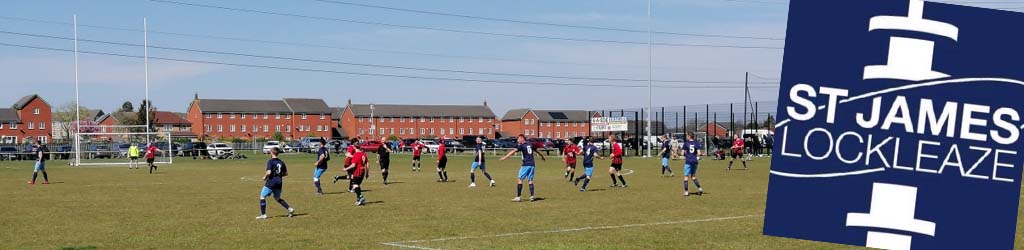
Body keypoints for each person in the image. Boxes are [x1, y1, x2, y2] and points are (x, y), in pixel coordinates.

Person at [500, 134, 546, 202]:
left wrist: (505, 157)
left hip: (526, 165)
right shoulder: (530, 144)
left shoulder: (522, 145)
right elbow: (537, 151)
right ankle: (532, 196)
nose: (517, 140)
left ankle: (518, 197)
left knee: (520, 179)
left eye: (518, 139)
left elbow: (513, 151)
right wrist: (542, 156)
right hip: (532, 164)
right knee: (530, 180)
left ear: (522, 138)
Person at [257, 147, 295, 219]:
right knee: (277, 198)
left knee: (262, 196)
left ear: (272, 153)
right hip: (279, 182)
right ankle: (290, 209)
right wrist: (278, 175)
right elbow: (286, 173)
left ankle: (263, 214)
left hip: (271, 182)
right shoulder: (281, 162)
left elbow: (269, 172)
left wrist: (265, 177)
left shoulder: (270, 161)